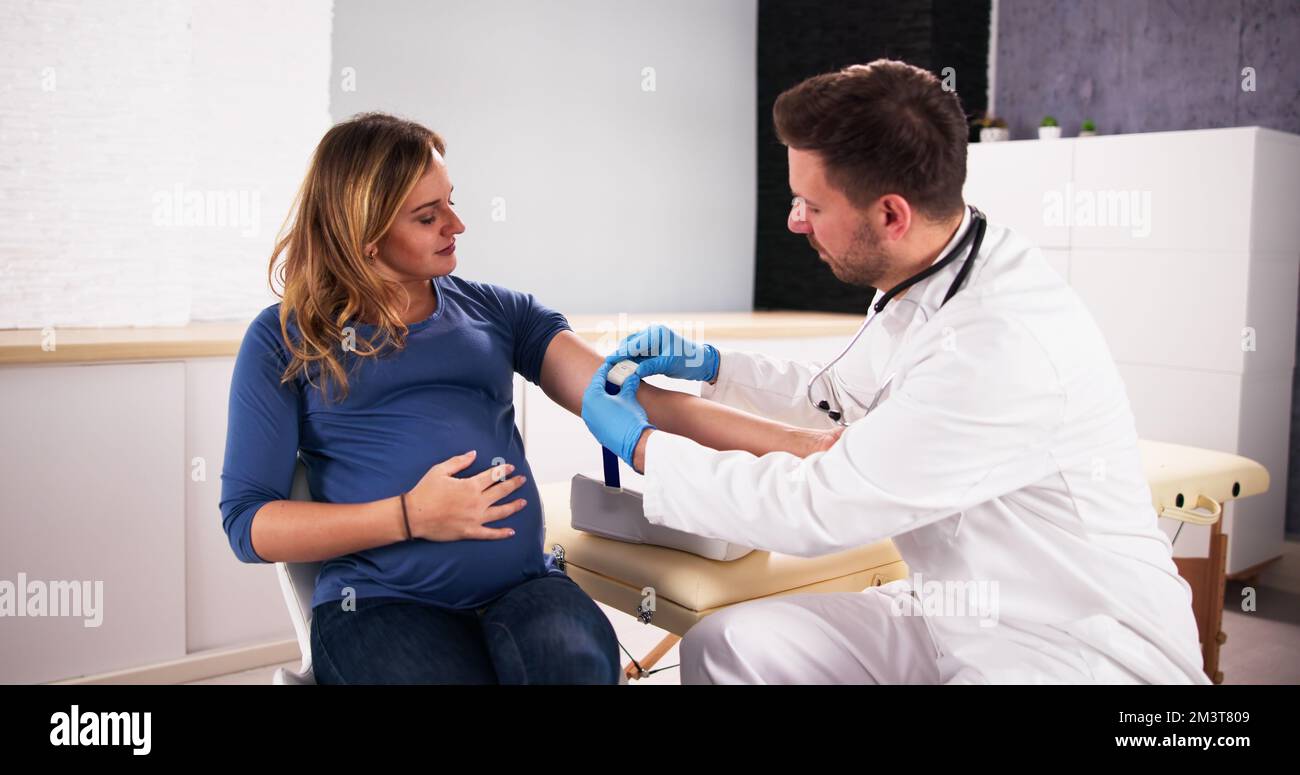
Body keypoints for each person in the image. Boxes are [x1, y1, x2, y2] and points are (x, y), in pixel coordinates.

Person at [581, 60, 1208, 685]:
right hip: (946, 609)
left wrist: (645, 448)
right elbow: (836, 399)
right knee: (729, 645)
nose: (795, 221)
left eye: (810, 204)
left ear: (890, 216)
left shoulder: (997, 343)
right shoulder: (939, 267)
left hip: (1065, 647)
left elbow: (817, 508)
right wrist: (717, 365)